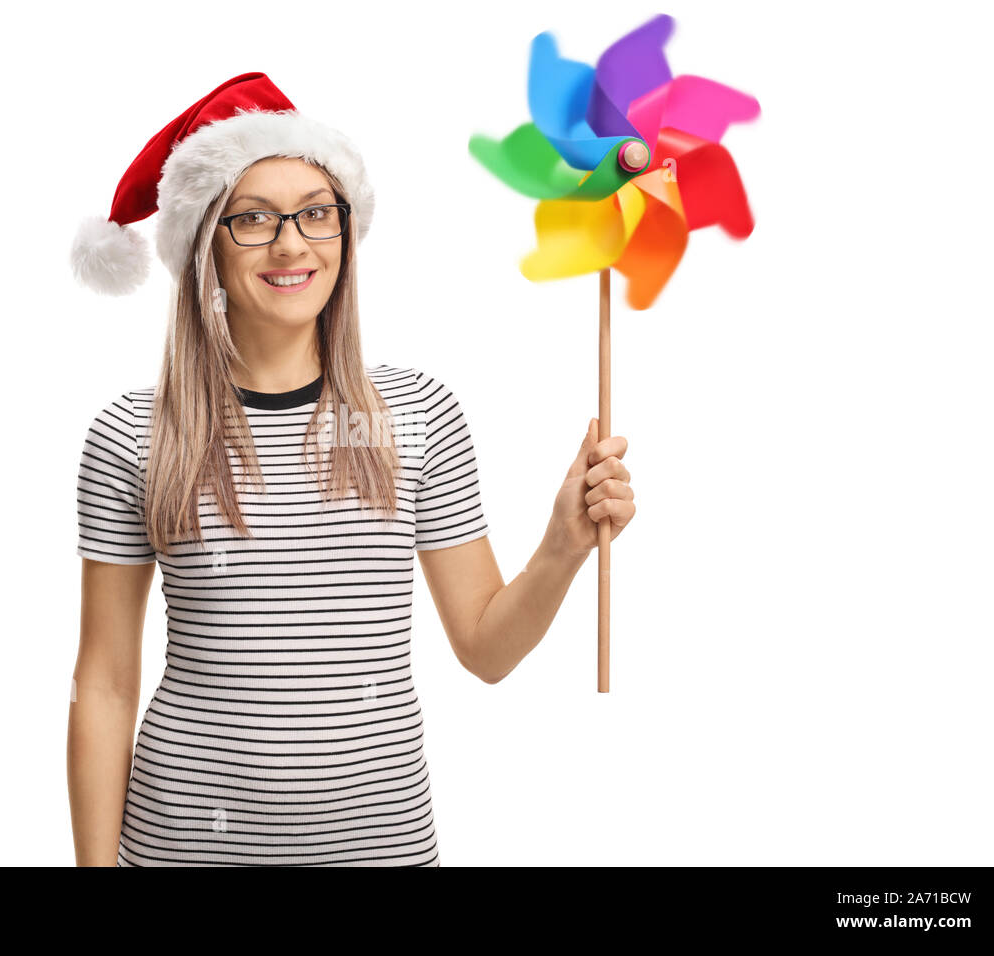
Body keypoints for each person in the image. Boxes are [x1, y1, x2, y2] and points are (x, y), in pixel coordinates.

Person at [67, 74, 635, 866]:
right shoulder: (134, 434)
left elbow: (486, 650)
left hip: (381, 850)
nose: (292, 243)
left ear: (345, 232)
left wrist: (563, 546)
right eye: (254, 218)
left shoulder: (418, 416)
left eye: (315, 213)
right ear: (205, 247)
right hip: (182, 848)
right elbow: (105, 684)